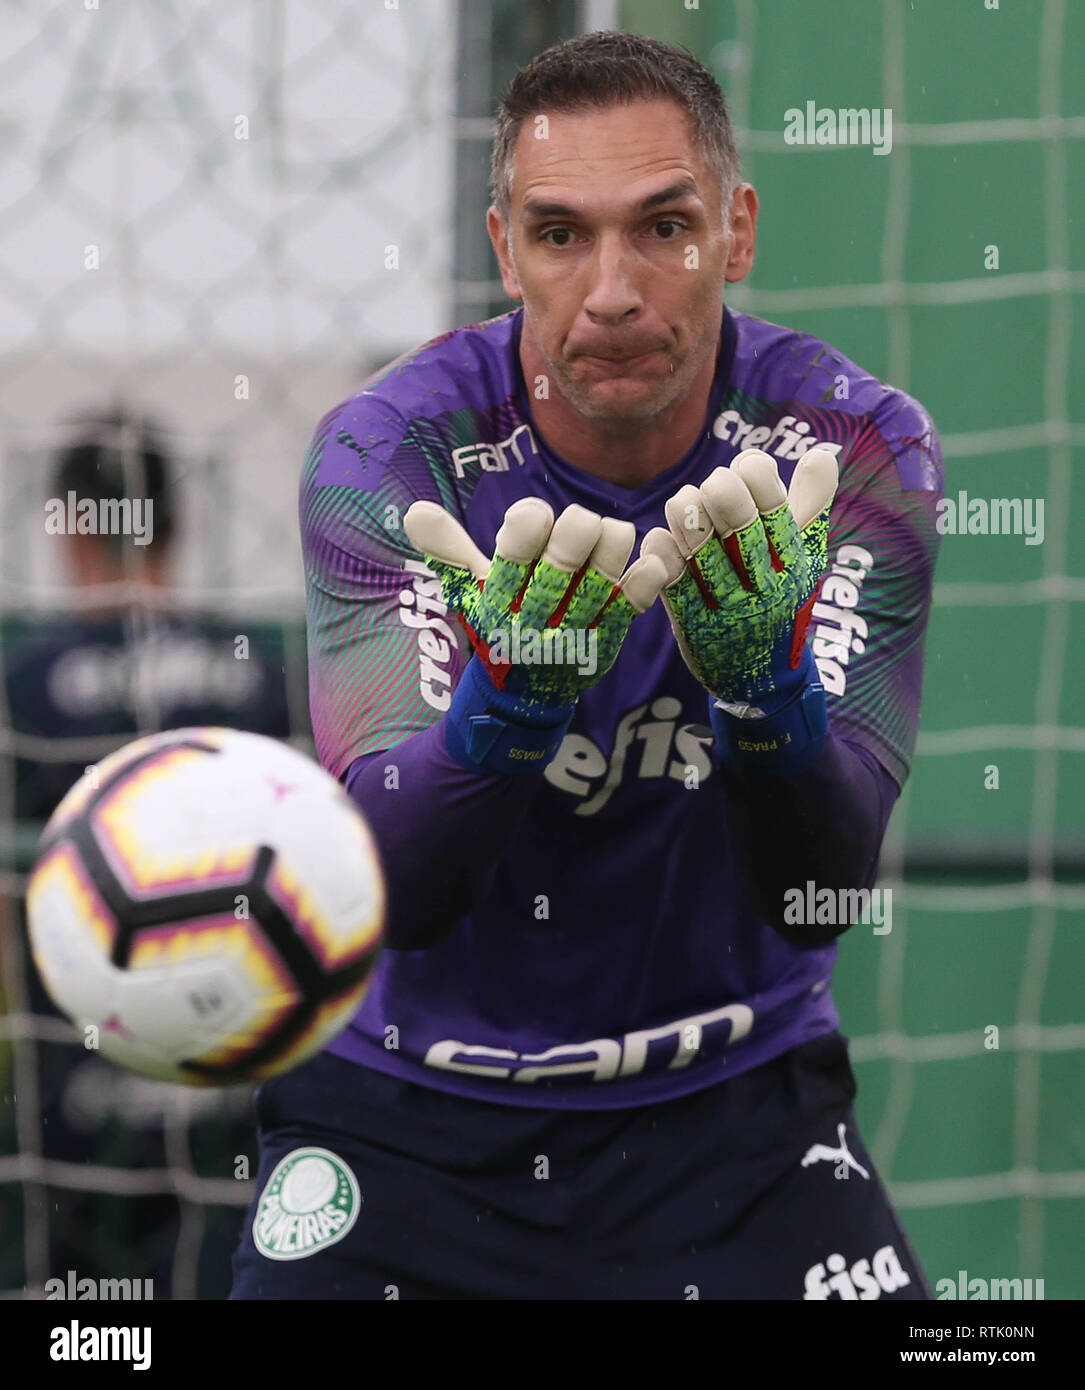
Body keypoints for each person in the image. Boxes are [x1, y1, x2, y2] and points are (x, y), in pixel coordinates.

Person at [232, 31, 944, 1300]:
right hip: (405, 1120)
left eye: (661, 228)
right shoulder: (389, 454)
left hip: (732, 1120)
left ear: (734, 231)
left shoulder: (850, 445)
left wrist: (765, 697)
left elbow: (818, 889)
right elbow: (391, 886)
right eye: (560, 235)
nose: (610, 290)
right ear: (504, 248)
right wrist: (500, 714)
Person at [0, 411, 292, 1297]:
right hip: (239, 1061)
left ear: (69, 530)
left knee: (84, 1310)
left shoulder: (33, 679)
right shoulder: (260, 670)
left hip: (80, 1072)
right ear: (177, 524)